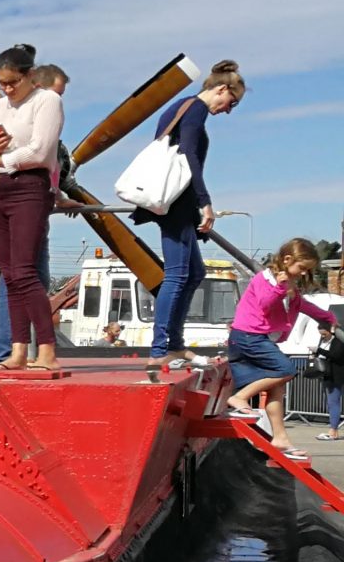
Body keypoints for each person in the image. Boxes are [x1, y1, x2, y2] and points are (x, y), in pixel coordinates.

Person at [135, 58, 244, 370]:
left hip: (177, 204)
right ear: (221, 88)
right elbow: (188, 155)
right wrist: (204, 202)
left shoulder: (183, 107)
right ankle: (161, 349)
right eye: (231, 101)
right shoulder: (194, 109)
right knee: (177, 274)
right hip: (178, 204)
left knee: (193, 273)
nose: (228, 109)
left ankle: (175, 345)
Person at [0, 43, 64, 370]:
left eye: (13, 82)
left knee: (24, 271)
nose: (8, 89)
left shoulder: (47, 101)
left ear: (30, 76)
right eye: (2, 83)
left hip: (29, 188)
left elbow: (39, 153)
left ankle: (47, 349)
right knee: (9, 275)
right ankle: (19, 350)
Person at [224, 238, 335, 463]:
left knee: (277, 386)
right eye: (301, 268)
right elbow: (265, 303)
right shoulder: (265, 279)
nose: (303, 274)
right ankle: (239, 397)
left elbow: (303, 306)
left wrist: (328, 318)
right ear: (287, 260)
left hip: (257, 338)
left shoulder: (289, 285)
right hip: (248, 336)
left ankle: (281, 438)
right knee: (285, 370)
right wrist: (280, 287)